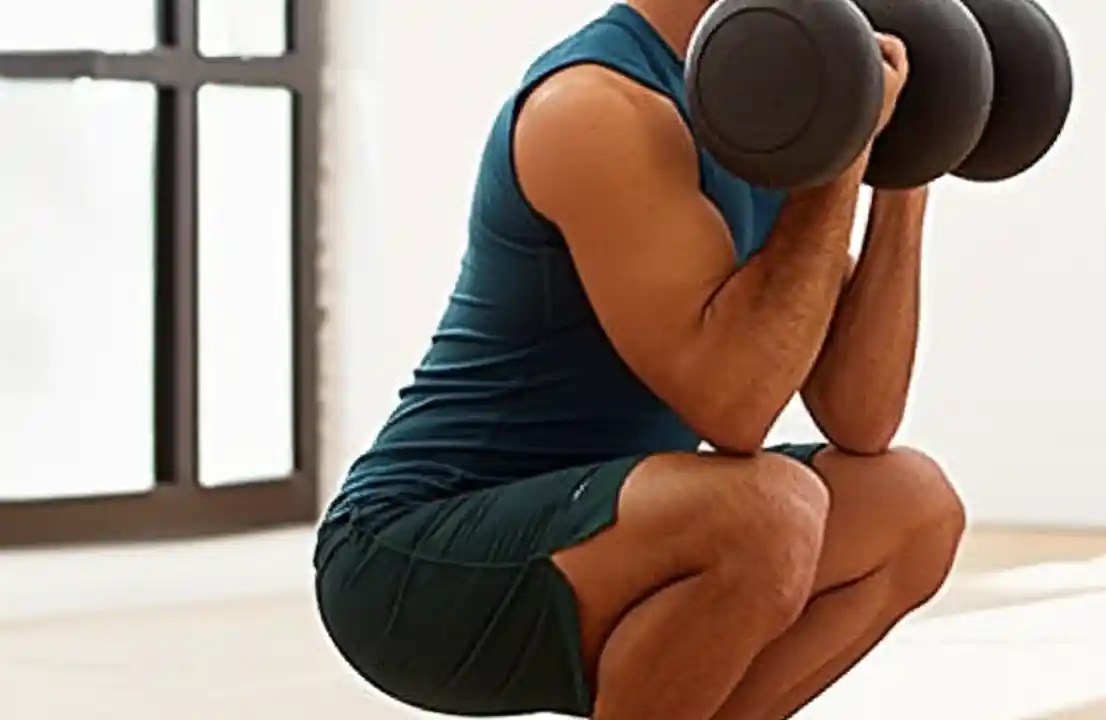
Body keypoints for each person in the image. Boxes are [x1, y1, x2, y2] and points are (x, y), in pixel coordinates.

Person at [314, 2, 966, 718]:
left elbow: (862, 417)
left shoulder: (772, 97)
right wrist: (842, 153)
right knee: (767, 515)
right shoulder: (597, 107)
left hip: (611, 528)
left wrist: (907, 164)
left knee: (913, 507)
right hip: (411, 564)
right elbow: (736, 408)